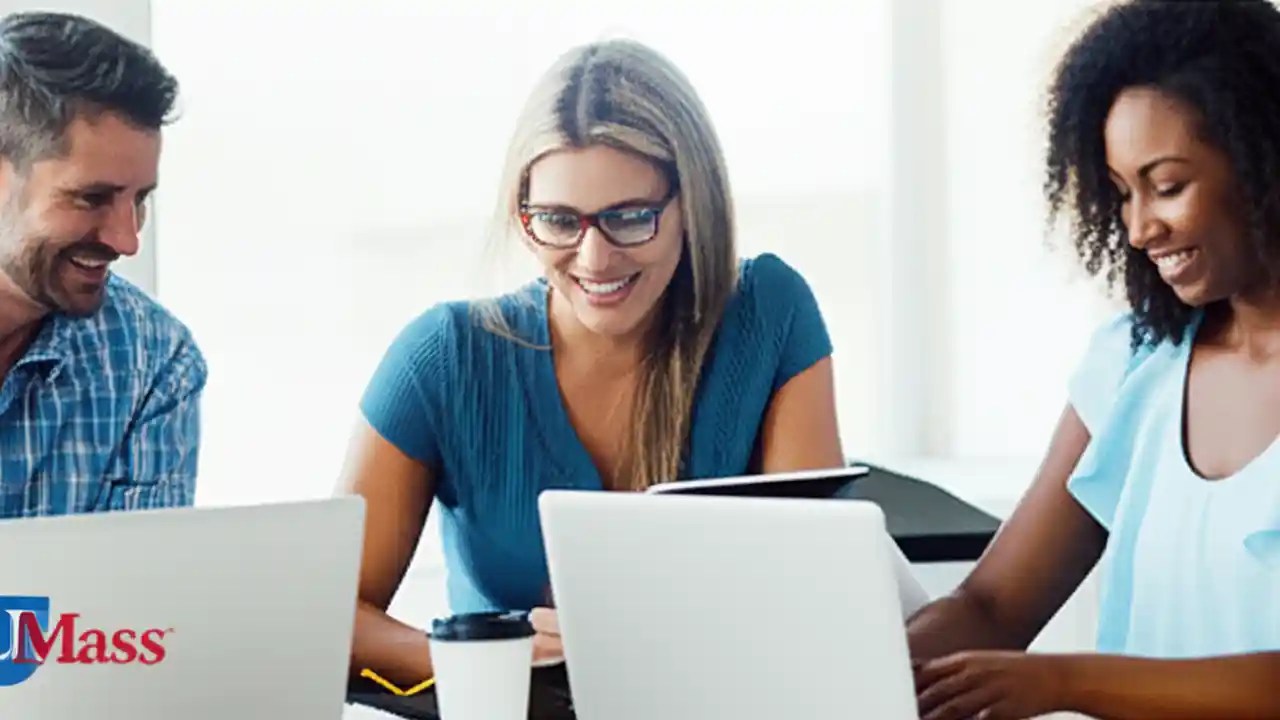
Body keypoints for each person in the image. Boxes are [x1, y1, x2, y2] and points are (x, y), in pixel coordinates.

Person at [338, 38, 844, 685]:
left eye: (630, 218)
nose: (594, 257)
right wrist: (491, 655)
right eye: (558, 220)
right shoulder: (445, 357)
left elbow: (817, 597)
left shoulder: (769, 313)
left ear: (692, 204)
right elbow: (330, 612)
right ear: (523, 218)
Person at [908, 1, 1280, 718]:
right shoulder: (1134, 363)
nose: (1140, 229)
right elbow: (990, 606)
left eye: (1168, 185)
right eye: (1121, 194)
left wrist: (1063, 682)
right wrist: (865, 661)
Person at [0, 12, 207, 518]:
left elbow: (138, 592)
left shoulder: (154, 360)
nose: (127, 239)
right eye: (92, 198)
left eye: (140, 200)